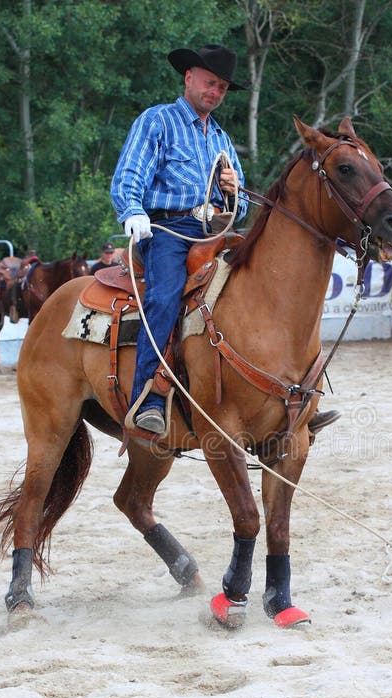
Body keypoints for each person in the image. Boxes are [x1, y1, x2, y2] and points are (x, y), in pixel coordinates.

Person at [110, 44, 250, 435]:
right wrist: (133, 212)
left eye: (222, 87)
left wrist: (235, 191)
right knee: (164, 295)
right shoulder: (157, 121)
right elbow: (129, 175)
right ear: (188, 78)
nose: (215, 92)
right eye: (210, 83)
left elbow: (239, 210)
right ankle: (149, 399)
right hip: (169, 231)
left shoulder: (222, 139)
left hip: (215, 231)